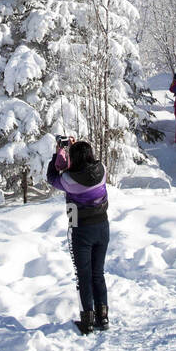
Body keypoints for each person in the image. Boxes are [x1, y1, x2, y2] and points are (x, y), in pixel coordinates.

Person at [46, 136, 110, 335]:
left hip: (81, 228)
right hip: (102, 226)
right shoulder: (102, 171)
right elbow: (86, 167)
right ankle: (103, 316)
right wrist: (77, 150)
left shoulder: (69, 180)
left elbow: (51, 177)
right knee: (98, 274)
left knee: (84, 275)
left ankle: (87, 320)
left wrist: (59, 152)